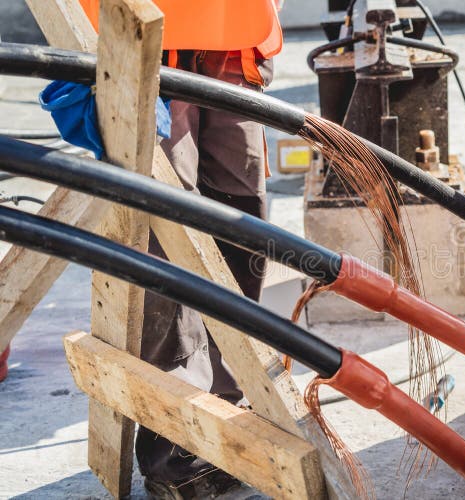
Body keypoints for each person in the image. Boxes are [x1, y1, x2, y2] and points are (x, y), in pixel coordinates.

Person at [78, 1, 283, 498]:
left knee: (241, 217)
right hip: (153, 38)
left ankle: (229, 403)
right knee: (166, 230)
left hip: (233, 38)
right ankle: (177, 439)